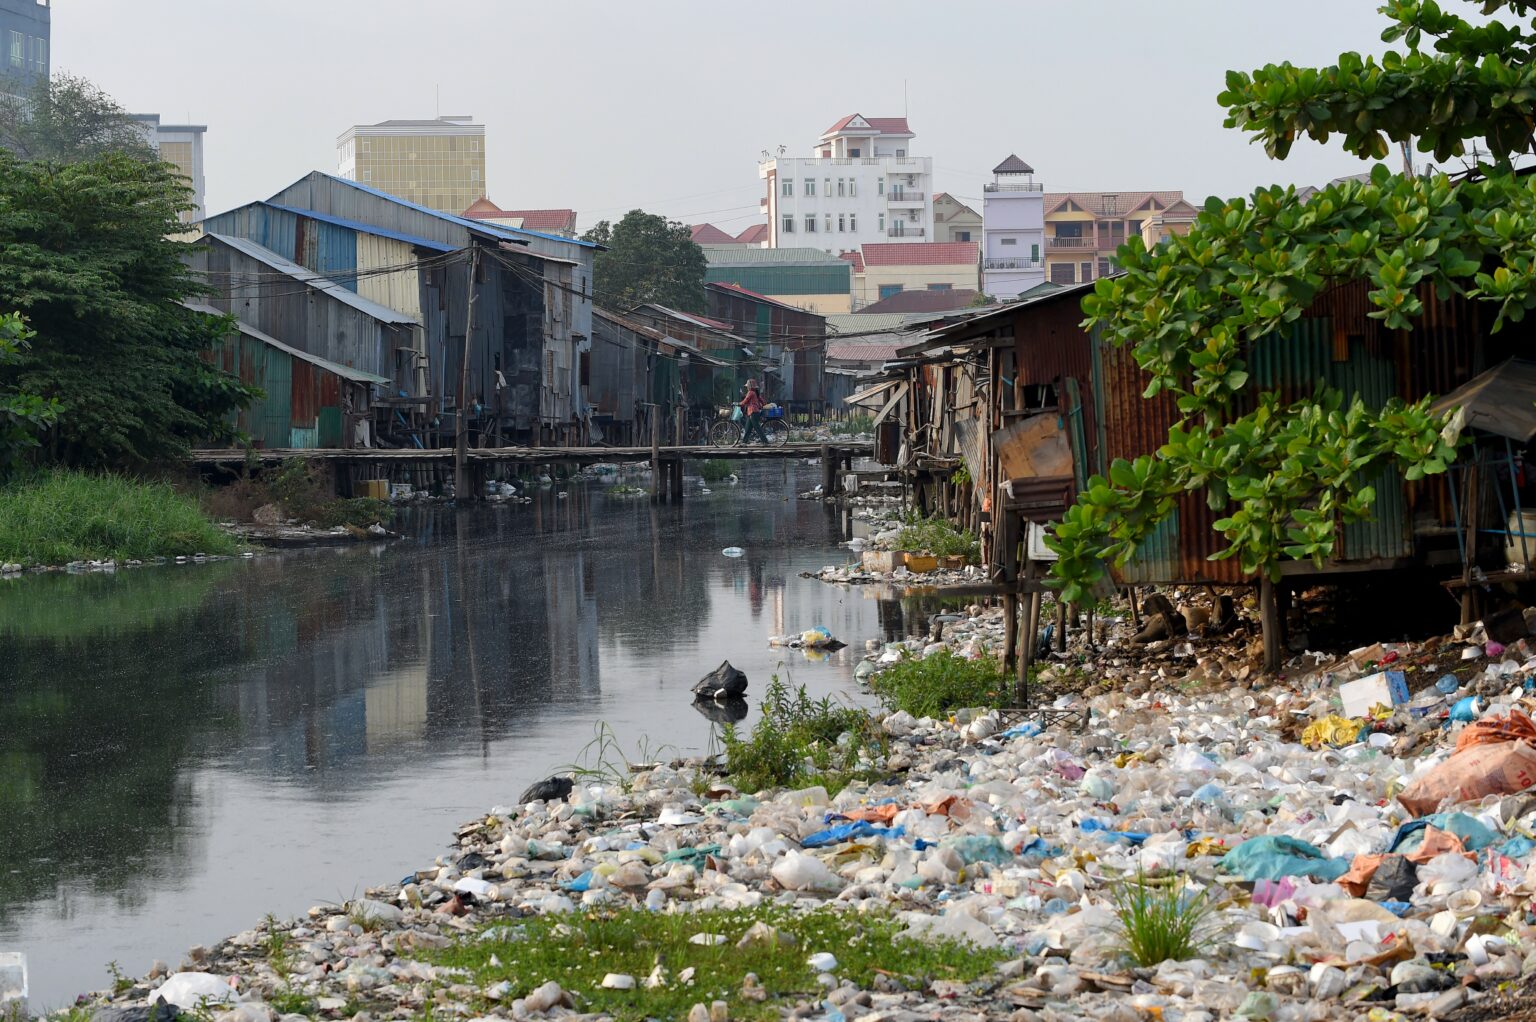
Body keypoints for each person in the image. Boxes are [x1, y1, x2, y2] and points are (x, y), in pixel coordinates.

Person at [739, 378, 767, 444]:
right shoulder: (755, 393)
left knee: (758, 429)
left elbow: (745, 401)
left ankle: (765, 442)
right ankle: (744, 442)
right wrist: (763, 404)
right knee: (747, 429)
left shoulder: (750, 392)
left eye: (747, 386)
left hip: (753, 412)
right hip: (753, 412)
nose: (747, 388)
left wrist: (738, 404)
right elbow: (762, 400)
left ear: (749, 386)